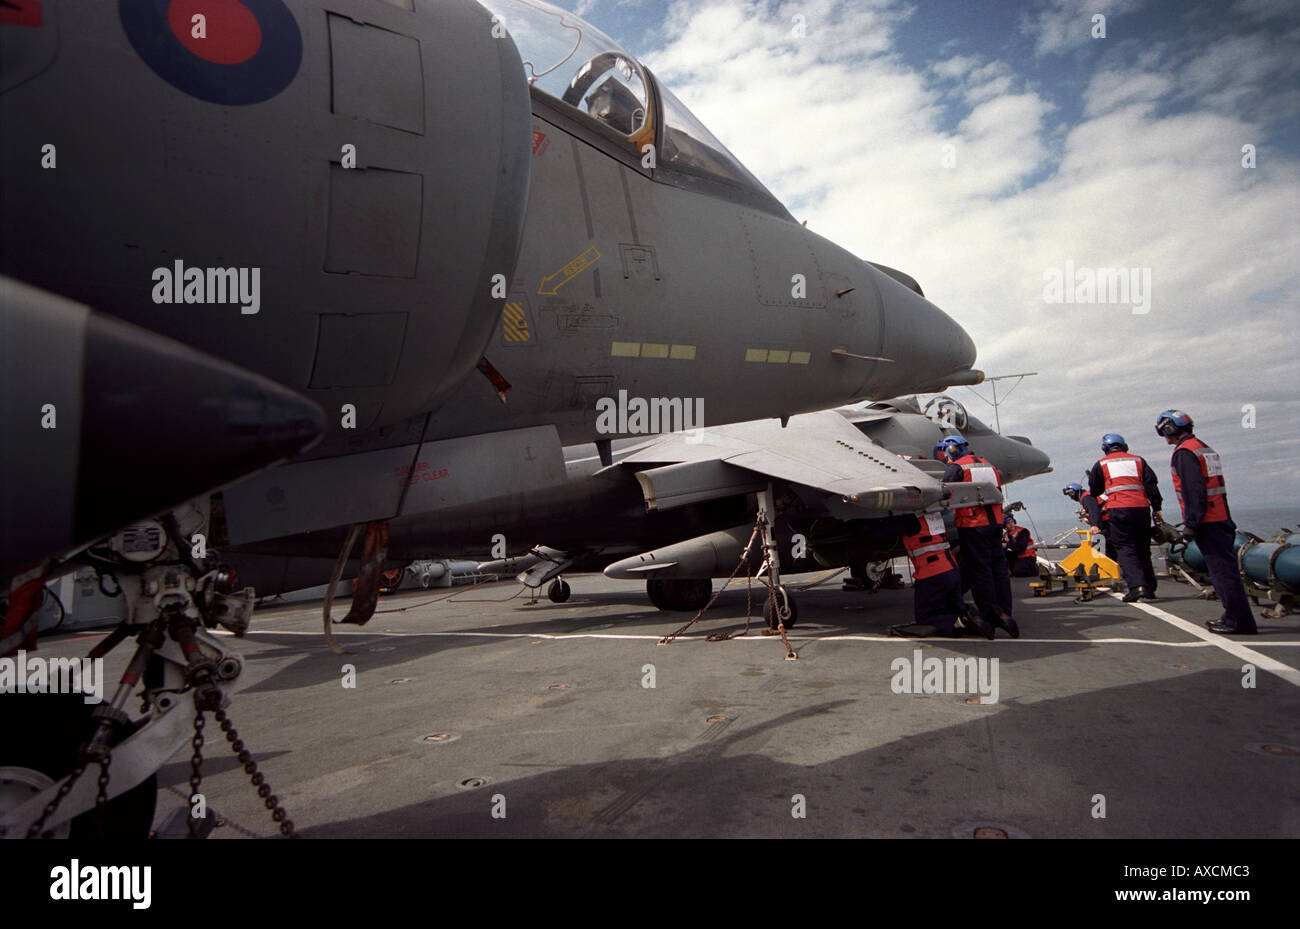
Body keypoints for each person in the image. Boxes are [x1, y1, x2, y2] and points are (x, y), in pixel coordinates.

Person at [1155, 410, 1258, 635]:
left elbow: (1194, 491)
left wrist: (1191, 524)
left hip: (1207, 521)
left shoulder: (1184, 453)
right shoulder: (1204, 448)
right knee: (1228, 570)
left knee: (1221, 573)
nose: (1164, 437)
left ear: (1169, 428)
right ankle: (1239, 618)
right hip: (1221, 518)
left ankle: (1236, 621)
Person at [941, 436, 1017, 637]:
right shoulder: (988, 465)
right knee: (999, 569)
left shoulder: (957, 467)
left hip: (973, 525)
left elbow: (943, 490)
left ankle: (988, 615)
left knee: (980, 570)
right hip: (995, 524)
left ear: (951, 450)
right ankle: (1005, 613)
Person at [889, 510, 993, 639]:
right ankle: (968, 619)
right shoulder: (935, 515)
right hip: (952, 570)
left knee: (926, 618)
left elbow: (886, 532)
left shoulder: (910, 518)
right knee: (953, 608)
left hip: (932, 574)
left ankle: (962, 620)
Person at [1087, 434, 1161, 602]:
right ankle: (1149, 587)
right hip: (1142, 509)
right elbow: (1151, 485)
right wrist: (1157, 507)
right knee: (1143, 548)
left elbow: (1094, 489)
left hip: (1118, 509)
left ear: (1105, 448)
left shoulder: (1101, 464)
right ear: (1124, 446)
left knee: (1125, 548)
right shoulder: (1139, 461)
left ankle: (1136, 587)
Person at [1063, 482, 1110, 555]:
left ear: (1073, 493)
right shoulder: (1089, 495)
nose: (1071, 498)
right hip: (1111, 523)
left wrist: (1095, 525)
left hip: (1108, 525)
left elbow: (1093, 510)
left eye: (1070, 495)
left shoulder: (1086, 497)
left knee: (1098, 550)